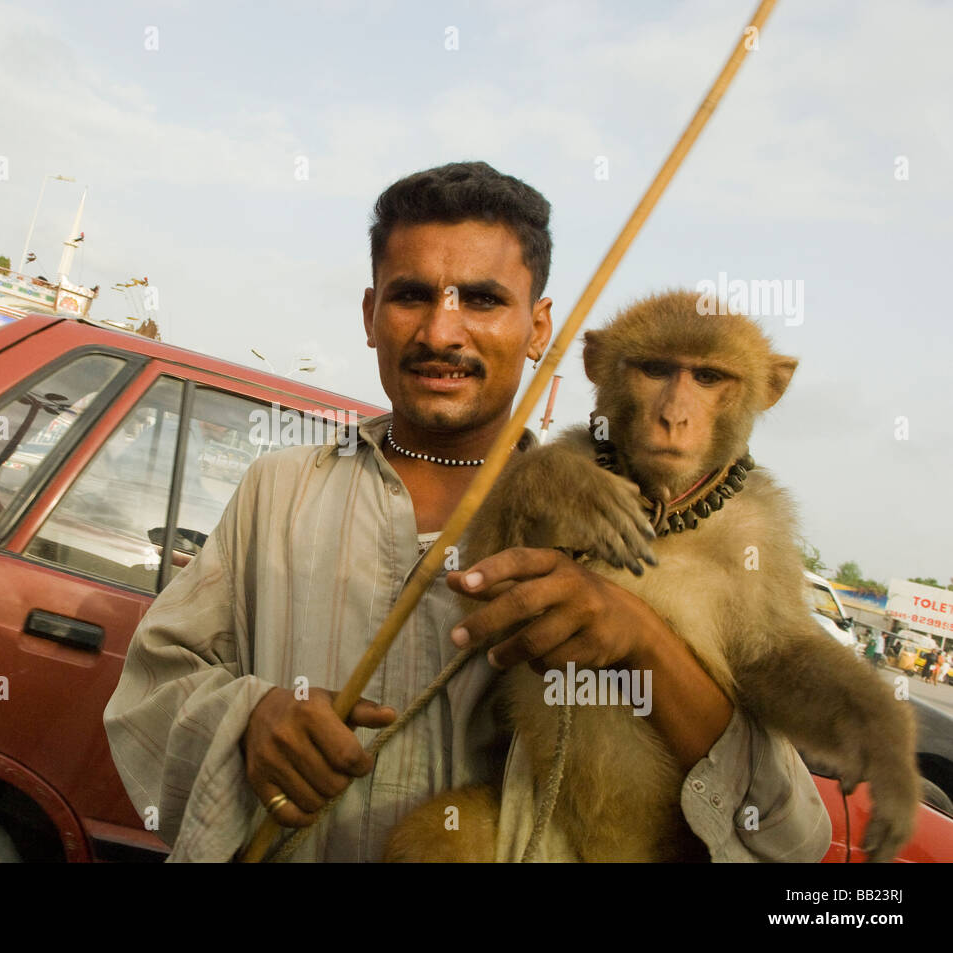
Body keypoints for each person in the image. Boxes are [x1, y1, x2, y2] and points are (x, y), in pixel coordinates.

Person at [103, 161, 832, 863]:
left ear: (540, 328)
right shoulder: (279, 490)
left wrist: (641, 640)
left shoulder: (635, 528)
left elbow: (789, 832)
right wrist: (251, 721)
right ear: (370, 314)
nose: (441, 333)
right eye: (412, 295)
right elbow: (151, 691)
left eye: (482, 300)